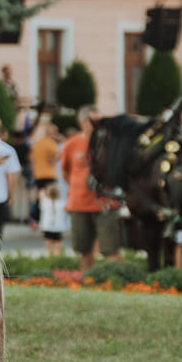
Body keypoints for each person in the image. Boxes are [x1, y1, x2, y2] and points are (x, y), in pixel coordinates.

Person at [60, 105, 123, 273]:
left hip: (105, 203)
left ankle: (117, 280)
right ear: (82, 122)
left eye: (101, 120)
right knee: (84, 249)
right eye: (94, 120)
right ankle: (87, 280)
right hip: (79, 203)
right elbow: (66, 172)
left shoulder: (110, 143)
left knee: (110, 248)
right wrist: (79, 187)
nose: (98, 124)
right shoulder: (71, 144)